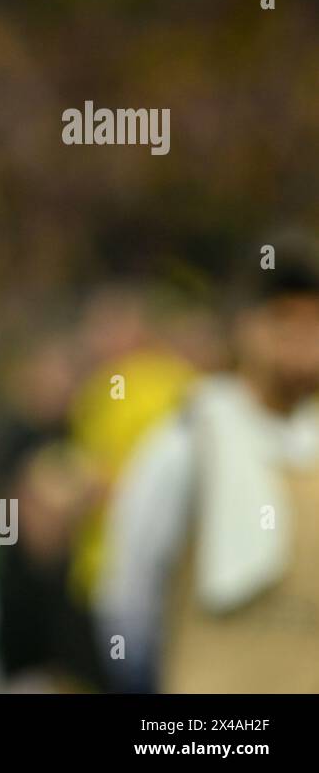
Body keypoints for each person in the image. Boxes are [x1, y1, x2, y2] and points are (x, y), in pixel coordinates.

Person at [97, 237, 319, 692]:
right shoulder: (186, 442)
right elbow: (129, 595)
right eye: (283, 320)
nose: (302, 339)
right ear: (244, 327)